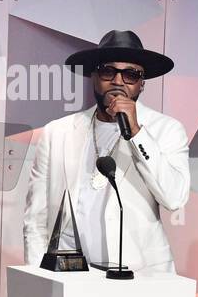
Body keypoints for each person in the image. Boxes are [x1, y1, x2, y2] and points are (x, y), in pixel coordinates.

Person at [24, 30, 189, 276]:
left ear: (142, 83)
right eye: (108, 71)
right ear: (94, 77)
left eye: (131, 74)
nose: (118, 81)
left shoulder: (166, 130)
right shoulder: (57, 132)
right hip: (70, 276)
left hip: (139, 276)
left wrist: (136, 132)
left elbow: (174, 198)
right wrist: (39, 276)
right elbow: (37, 217)